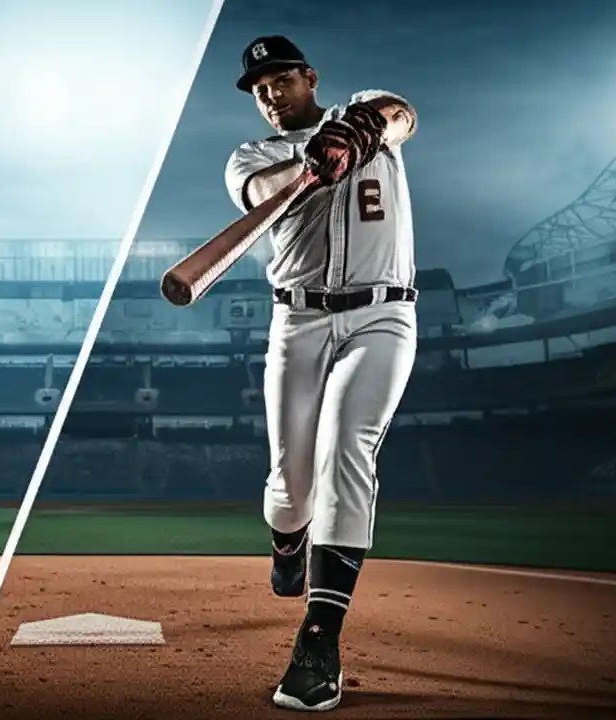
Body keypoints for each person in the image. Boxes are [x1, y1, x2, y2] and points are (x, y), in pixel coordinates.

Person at [223, 35, 420, 712]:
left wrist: (357, 132)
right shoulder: (252, 156)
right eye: (258, 90)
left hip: (382, 315)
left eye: (279, 80)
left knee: (347, 446)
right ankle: (287, 540)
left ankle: (319, 638)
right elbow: (260, 193)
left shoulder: (361, 110)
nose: (270, 95)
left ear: (308, 77)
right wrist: (310, 163)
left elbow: (400, 114)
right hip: (298, 322)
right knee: (289, 485)